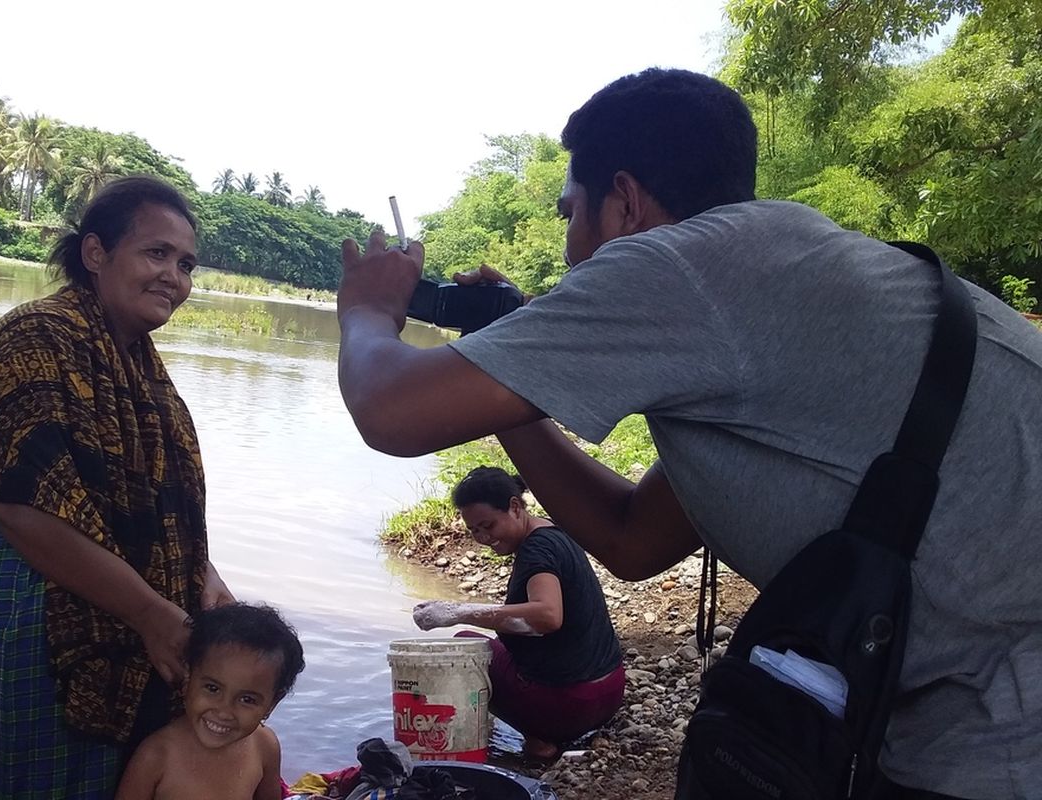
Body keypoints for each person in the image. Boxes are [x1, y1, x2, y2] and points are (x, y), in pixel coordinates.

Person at [335, 68, 1042, 799]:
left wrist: (365, 309)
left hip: (1001, 730)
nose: (573, 248)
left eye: (569, 211)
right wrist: (510, 360)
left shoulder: (679, 267)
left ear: (626, 203)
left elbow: (388, 411)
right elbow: (634, 538)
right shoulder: (776, 279)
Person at [0, 175, 235, 798]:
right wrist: (152, 611)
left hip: (129, 621)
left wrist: (202, 575)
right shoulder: (35, 338)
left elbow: (154, 501)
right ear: (96, 254)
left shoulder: (139, 365)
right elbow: (18, 506)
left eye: (185, 265)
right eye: (156, 254)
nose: (174, 279)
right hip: (24, 621)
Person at [412, 466, 624, 760]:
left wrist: (459, 611)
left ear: (514, 507)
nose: (483, 538)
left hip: (570, 704)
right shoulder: (553, 530)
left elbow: (548, 616)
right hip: (609, 692)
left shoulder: (538, 550)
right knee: (477, 642)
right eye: (474, 530)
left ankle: (540, 741)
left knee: (464, 647)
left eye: (488, 525)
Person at [115, 602, 305, 800]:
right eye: (212, 689)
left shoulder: (264, 746)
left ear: (273, 703)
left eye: (247, 699)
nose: (224, 711)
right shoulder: (156, 755)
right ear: (188, 678)